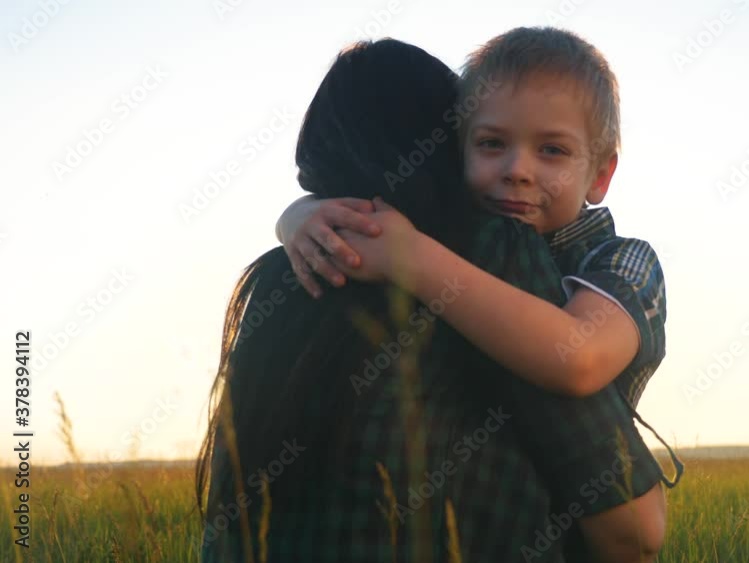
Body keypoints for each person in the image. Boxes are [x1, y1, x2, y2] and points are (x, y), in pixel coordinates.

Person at [196, 37, 664, 562]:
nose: (517, 169)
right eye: (490, 144)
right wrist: (300, 216)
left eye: (551, 149)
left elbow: (576, 355)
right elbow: (636, 536)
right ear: (455, 150)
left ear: (600, 175)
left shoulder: (618, 261)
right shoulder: (477, 247)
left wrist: (406, 255)